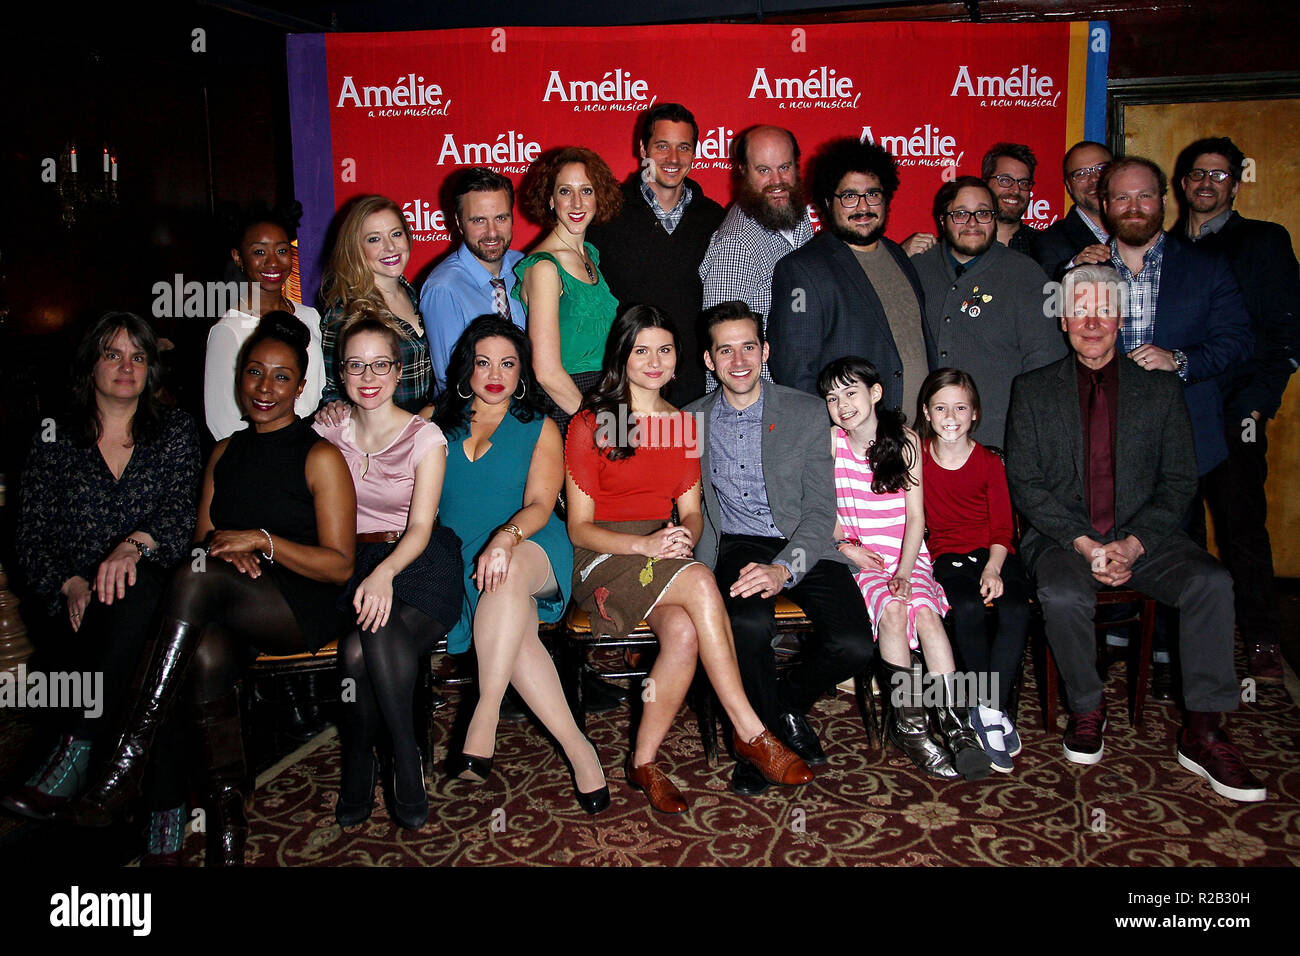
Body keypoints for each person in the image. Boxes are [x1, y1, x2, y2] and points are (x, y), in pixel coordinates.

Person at [58, 313, 357, 864]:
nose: (265, 388)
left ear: (301, 384)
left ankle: (126, 757)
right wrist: (227, 551)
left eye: (281, 377)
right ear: (239, 377)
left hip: (301, 604)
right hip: (230, 601)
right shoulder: (223, 452)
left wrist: (261, 541)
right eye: (254, 372)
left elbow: (339, 566)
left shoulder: (320, 456)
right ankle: (227, 820)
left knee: (196, 584)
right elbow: (201, 547)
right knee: (206, 652)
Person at [1005, 265, 1265, 801]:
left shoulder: (1160, 389)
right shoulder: (1031, 390)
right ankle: (1087, 706)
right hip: (1064, 539)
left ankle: (1205, 730)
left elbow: (1178, 480)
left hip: (1146, 539)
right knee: (1059, 591)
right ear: (1063, 319)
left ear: (1121, 318)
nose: (1092, 321)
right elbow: (1026, 485)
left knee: (1211, 583)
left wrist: (1132, 544)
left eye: (1104, 309)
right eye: (1080, 309)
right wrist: (1087, 544)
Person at [564, 305, 812, 813]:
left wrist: (680, 533)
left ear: (679, 360)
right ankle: (749, 729)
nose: (654, 361)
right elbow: (579, 527)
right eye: (642, 350)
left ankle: (643, 762)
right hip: (606, 552)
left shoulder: (682, 425)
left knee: (681, 632)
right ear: (622, 357)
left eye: (665, 349)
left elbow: (694, 512)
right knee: (701, 582)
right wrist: (648, 544)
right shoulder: (593, 423)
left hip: (663, 551)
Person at [3, 313, 200, 864]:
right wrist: (69, 584)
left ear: (151, 369)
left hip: (157, 585)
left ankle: (78, 747)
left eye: (138, 356)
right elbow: (29, 537)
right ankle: (166, 810)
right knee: (157, 670)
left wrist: (132, 545)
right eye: (113, 354)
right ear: (91, 363)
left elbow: (184, 516)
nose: (126, 367)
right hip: (77, 607)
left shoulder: (175, 430)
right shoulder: (53, 436)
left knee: (137, 602)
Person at [684, 302, 875, 792]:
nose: (739, 359)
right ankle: (759, 742)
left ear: (765, 350)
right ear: (709, 361)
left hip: (801, 539)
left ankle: (784, 702)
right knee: (747, 624)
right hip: (737, 541)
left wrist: (784, 570)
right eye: (725, 350)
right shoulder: (689, 421)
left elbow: (819, 511)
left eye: (749, 346)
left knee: (854, 644)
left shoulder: (807, 410)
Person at [433, 316, 608, 813]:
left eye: (508, 363)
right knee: (518, 630)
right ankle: (581, 751)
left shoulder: (540, 426)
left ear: (522, 372)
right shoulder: (434, 423)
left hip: (532, 543)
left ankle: (483, 713)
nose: (495, 373)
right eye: (484, 361)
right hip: (466, 556)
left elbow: (538, 503)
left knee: (505, 572)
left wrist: (505, 538)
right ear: (466, 368)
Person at [315, 314, 463, 829]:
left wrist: (384, 575)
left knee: (365, 641)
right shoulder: (325, 431)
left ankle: (386, 758)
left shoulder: (426, 437)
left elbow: (421, 527)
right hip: (351, 560)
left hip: (418, 559)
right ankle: (394, 755)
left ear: (399, 373)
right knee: (356, 649)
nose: (369, 375)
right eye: (356, 365)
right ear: (341, 373)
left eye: (380, 364)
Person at [818, 357, 990, 781]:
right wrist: (846, 547)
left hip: (909, 554)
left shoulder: (907, 441)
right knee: (894, 610)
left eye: (851, 392)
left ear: (875, 393)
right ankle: (910, 727)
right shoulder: (831, 444)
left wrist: (907, 570)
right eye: (832, 397)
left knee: (927, 615)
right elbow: (827, 510)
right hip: (861, 558)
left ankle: (956, 725)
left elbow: (917, 518)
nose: (842, 405)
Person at [1173, 135, 1300, 680]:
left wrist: (1257, 404)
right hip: (1174, 415)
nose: (1207, 183)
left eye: (1219, 175)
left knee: (1242, 527)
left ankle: (1263, 640)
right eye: (1198, 174)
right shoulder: (1164, 246)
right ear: (1182, 184)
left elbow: (1287, 332)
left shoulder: (1264, 242)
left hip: (1233, 413)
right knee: (1179, 533)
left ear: (1237, 181)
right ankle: (1184, 648)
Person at [917, 368, 1031, 772]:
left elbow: (1002, 527)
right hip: (947, 556)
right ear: (927, 414)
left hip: (995, 553)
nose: (951, 416)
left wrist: (995, 569)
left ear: (975, 413)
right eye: (941, 408)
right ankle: (990, 713)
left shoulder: (988, 463)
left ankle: (986, 707)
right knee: (965, 609)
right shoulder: (919, 462)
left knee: (1016, 608)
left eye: (960, 407)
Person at [768, 137, 933, 417]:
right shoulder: (803, 270)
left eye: (873, 194)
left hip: (914, 440)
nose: (863, 206)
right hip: (850, 448)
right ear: (827, 202)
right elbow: (794, 372)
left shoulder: (898, 255)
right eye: (849, 196)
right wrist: (832, 441)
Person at [586, 103, 726, 405]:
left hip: (693, 390)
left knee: (689, 454)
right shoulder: (606, 215)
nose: (673, 159)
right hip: (622, 390)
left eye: (683, 147)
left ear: (695, 152)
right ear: (642, 149)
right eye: (662, 146)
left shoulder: (714, 219)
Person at [911, 176, 1066, 447]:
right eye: (960, 214)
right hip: (926, 443)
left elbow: (1045, 366)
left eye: (983, 213)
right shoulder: (917, 269)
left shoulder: (1026, 275)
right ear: (942, 220)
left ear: (995, 218)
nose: (972, 223)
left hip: (998, 441)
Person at [513, 146, 623, 431]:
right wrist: (598, 426)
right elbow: (547, 371)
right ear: (550, 199)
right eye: (565, 191)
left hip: (605, 397)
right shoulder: (544, 268)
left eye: (586, 190)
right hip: (569, 407)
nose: (576, 203)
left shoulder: (590, 255)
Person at [699, 124, 814, 388]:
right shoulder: (736, 244)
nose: (777, 181)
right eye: (764, 170)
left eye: (784, 167)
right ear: (743, 171)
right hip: (764, 407)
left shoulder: (796, 214)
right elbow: (722, 349)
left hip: (801, 393)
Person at [204, 210, 325, 440]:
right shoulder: (229, 329)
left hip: (312, 443)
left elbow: (320, 391)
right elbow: (222, 422)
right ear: (238, 257)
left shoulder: (310, 317)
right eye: (259, 252)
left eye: (281, 251)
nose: (273, 262)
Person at [319, 195, 433, 418]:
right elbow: (332, 389)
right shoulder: (345, 311)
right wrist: (333, 407)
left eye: (396, 234)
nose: (390, 247)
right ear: (356, 248)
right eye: (374, 239)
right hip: (382, 433)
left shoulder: (420, 294)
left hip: (430, 426)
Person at [420, 168, 526, 394]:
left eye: (500, 218)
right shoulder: (444, 288)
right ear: (459, 223)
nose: (492, 232)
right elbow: (451, 380)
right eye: (479, 220)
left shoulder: (526, 268)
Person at [1035, 141, 1113, 281]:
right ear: (1069, 186)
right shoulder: (1050, 241)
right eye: (1081, 174)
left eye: (1101, 169)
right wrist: (1073, 268)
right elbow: (1046, 296)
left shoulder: (1140, 227)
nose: (1094, 179)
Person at [982, 142, 1041, 259]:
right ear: (985, 184)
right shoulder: (964, 244)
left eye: (1023, 183)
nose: (1015, 190)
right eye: (1005, 180)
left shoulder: (1043, 247)